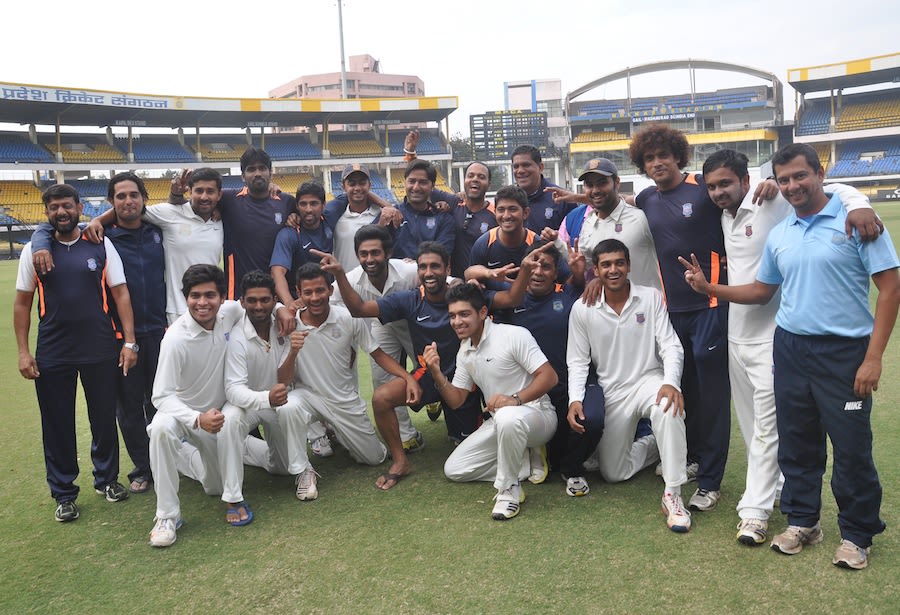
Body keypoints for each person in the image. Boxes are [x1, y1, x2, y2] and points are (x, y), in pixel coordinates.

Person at [682, 143, 900, 569]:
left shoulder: (857, 222)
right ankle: (803, 521)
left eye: (801, 176)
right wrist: (711, 290)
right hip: (791, 347)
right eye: (784, 179)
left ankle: (857, 534)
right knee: (798, 443)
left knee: (852, 447)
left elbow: (890, 289)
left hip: (844, 351)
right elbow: (762, 290)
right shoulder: (781, 233)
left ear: (820, 174)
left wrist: (873, 358)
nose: (793, 185)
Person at [322, 241, 540, 490]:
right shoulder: (410, 300)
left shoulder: (464, 295)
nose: (428, 272)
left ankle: (523, 449)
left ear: (447, 268)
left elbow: (512, 297)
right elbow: (359, 309)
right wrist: (339, 274)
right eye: (423, 267)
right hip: (430, 371)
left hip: (467, 377)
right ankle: (401, 461)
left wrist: (523, 270)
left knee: (466, 442)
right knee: (381, 398)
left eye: (435, 266)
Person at [629, 123, 739, 511]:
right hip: (672, 312)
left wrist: (769, 187)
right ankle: (692, 460)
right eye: (649, 158)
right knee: (684, 390)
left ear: (678, 155)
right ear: (642, 165)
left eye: (663, 155)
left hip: (711, 307)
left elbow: (743, 203)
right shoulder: (646, 198)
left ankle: (710, 481)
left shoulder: (703, 189)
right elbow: (619, 201)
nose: (657, 162)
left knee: (712, 399)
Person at [14, 184, 136, 522]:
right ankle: (64, 493)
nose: (61, 212)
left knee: (103, 418)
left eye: (67, 205)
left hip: (99, 346)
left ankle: (106, 480)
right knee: (57, 424)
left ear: (80, 207)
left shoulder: (100, 243)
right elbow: (23, 304)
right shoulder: (34, 251)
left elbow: (121, 294)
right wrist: (24, 352)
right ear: (47, 213)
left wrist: (129, 341)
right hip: (53, 351)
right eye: (53, 208)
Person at [147, 265, 286, 547]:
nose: (202, 303)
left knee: (213, 487)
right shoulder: (175, 339)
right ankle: (167, 516)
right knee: (161, 428)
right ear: (185, 298)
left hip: (218, 417)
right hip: (185, 415)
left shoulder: (230, 313)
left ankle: (184, 453)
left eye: (210, 295)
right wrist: (196, 419)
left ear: (223, 297)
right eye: (194, 296)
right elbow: (161, 396)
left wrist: (281, 307)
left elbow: (257, 300)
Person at [567, 239, 691, 533]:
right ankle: (657, 446)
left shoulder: (650, 297)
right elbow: (578, 361)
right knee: (614, 473)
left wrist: (671, 382)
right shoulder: (582, 308)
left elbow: (671, 345)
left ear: (629, 265)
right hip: (613, 392)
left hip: (649, 380)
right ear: (596, 270)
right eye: (606, 264)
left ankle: (673, 494)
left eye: (619, 263)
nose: (614, 270)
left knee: (668, 407)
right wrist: (575, 399)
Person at [276, 263, 421, 483]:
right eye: (308, 292)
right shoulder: (289, 324)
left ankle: (338, 432)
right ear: (299, 293)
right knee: (288, 406)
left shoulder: (348, 318)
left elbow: (378, 354)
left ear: (330, 291)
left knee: (374, 458)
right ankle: (303, 471)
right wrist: (293, 352)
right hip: (307, 397)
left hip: (343, 401)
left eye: (320, 290)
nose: (315, 297)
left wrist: (408, 377)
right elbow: (283, 381)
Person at [430, 283, 558, 520]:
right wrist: (437, 374)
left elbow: (550, 377)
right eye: (452, 316)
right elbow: (457, 399)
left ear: (482, 313)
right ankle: (524, 463)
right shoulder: (464, 350)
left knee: (508, 417)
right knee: (455, 469)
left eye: (464, 314)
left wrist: (515, 400)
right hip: (502, 422)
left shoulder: (512, 335)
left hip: (539, 415)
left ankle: (509, 490)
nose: (457, 321)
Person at [487, 242, 585, 481]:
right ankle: (527, 451)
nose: (539, 272)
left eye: (546, 267)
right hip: (523, 394)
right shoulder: (508, 298)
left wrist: (580, 274)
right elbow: (467, 279)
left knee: (560, 458)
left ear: (555, 272)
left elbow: (582, 288)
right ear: (524, 266)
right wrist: (483, 274)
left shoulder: (568, 294)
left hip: (561, 390)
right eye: (534, 264)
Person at [81, 167, 224, 324]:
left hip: (211, 309)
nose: (204, 196)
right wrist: (97, 220)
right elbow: (130, 209)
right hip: (176, 313)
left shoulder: (224, 220)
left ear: (219, 195)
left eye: (210, 191)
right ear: (189, 191)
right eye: (199, 191)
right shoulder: (169, 213)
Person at [329, 225, 424, 451]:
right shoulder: (350, 279)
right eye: (364, 254)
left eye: (375, 253)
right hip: (381, 325)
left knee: (429, 368)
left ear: (388, 253)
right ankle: (406, 435)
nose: (369, 259)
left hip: (415, 323)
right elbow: (327, 300)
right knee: (382, 378)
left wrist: (464, 282)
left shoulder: (409, 271)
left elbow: (442, 278)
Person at [222, 271, 306, 503]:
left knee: (281, 468)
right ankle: (233, 497)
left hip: (275, 403)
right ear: (242, 302)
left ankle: (242, 445)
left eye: (265, 300)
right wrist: (265, 398)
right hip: (247, 405)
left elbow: (285, 378)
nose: (258, 306)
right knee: (230, 420)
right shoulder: (236, 336)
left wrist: (293, 351)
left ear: (273, 300)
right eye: (252, 300)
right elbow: (233, 390)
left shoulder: (284, 324)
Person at [168, 148, 296, 300]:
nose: (257, 173)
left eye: (262, 168)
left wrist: (295, 216)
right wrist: (176, 194)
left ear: (270, 173)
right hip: (238, 295)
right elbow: (194, 205)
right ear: (243, 176)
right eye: (251, 169)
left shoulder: (286, 202)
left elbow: (307, 217)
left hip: (277, 293)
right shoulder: (229, 199)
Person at [551, 158, 660, 289]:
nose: (595, 190)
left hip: (648, 306)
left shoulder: (641, 217)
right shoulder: (589, 223)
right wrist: (557, 241)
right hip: (609, 308)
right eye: (589, 185)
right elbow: (584, 261)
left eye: (602, 183)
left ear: (617, 182)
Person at [465, 185, 573, 286]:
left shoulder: (537, 244)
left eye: (512, 209)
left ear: (525, 213)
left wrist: (578, 273)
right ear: (495, 212)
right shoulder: (484, 243)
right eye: (501, 210)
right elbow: (468, 273)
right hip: (495, 304)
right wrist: (489, 273)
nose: (506, 216)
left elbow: (567, 278)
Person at [270, 181, 334, 305]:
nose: (308, 209)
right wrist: (290, 304)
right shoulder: (289, 234)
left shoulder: (330, 219)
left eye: (314, 204)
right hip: (300, 304)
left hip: (329, 302)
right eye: (303, 204)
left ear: (323, 205)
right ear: (297, 207)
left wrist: (383, 204)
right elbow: (277, 272)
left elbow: (354, 193)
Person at [386, 159, 456, 260]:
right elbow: (373, 245)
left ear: (432, 186)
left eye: (422, 182)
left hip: (429, 274)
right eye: (412, 181)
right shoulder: (391, 215)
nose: (416, 187)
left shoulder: (444, 219)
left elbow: (442, 256)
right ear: (405, 183)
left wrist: (414, 265)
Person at [511, 144, 574, 233]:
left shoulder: (561, 199)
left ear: (540, 167)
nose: (520, 171)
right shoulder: (508, 200)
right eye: (516, 166)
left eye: (526, 165)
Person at [450, 161, 496, 279]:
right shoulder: (454, 204)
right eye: (470, 176)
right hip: (455, 286)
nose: (475, 179)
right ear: (464, 181)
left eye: (481, 177)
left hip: (484, 285)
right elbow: (426, 187)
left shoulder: (497, 215)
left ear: (489, 184)